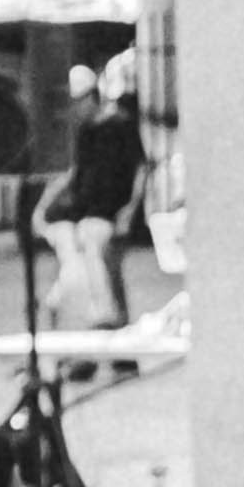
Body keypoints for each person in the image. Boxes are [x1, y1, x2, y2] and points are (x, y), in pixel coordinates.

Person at [31, 68, 152, 327]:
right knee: (85, 266)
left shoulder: (120, 123)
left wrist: (129, 212)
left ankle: (112, 329)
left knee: (105, 268)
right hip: (86, 212)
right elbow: (75, 172)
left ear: (89, 98)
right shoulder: (86, 130)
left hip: (111, 213)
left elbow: (140, 169)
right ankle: (88, 332)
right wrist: (44, 205)